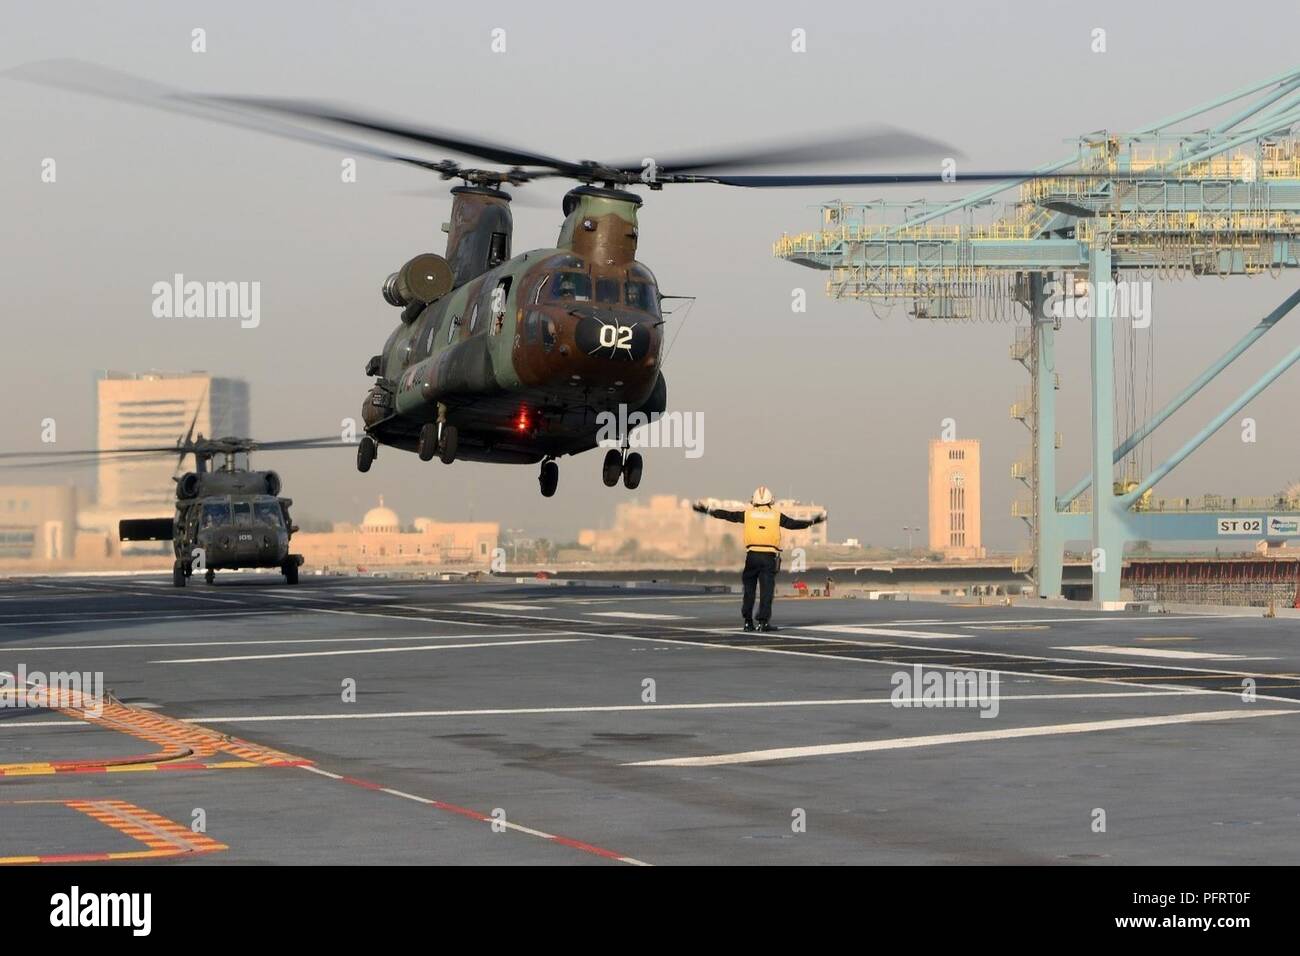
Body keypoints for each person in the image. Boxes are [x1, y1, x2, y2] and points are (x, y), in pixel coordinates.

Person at [693, 487, 827, 632]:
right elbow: (793, 524)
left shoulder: (748, 514)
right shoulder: (776, 515)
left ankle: (747, 622)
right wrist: (812, 522)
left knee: (749, 590)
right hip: (768, 556)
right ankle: (763, 623)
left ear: (754, 500)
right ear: (771, 500)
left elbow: (728, 515)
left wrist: (708, 511)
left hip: (752, 556)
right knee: (766, 591)